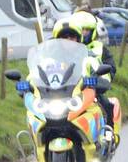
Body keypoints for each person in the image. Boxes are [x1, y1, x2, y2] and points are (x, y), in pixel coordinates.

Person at [51, 11, 120, 146]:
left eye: (86, 31)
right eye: (65, 37)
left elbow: (108, 67)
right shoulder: (54, 54)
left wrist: (101, 80)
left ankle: (107, 133)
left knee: (104, 104)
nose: (83, 34)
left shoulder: (97, 50)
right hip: (62, 90)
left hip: (88, 89)